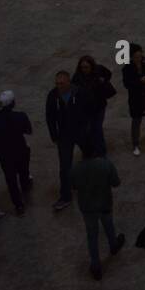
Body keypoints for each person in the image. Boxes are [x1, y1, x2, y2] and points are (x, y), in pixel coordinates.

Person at [71, 141, 125, 280]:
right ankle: (113, 245)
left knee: (92, 236)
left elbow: (74, 186)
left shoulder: (76, 168)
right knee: (108, 225)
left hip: (87, 207)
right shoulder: (105, 164)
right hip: (104, 203)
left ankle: (96, 266)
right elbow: (116, 182)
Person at [46, 70, 85, 211]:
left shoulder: (78, 92)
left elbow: (88, 109)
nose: (59, 86)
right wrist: (54, 135)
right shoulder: (53, 95)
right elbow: (49, 117)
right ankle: (65, 196)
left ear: (69, 82)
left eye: (62, 83)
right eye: (57, 84)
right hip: (64, 135)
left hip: (80, 132)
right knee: (64, 167)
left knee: (90, 158)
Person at [0, 91, 32, 215]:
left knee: (11, 180)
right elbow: (28, 130)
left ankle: (18, 205)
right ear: (13, 103)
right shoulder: (21, 116)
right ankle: (25, 186)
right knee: (23, 170)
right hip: (20, 149)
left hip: (4, 153)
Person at [72, 54, 115, 156]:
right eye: (82, 67)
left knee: (97, 130)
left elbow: (108, 74)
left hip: (98, 107)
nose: (84, 69)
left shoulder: (99, 70)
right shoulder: (77, 77)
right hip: (85, 109)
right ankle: (91, 151)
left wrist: (103, 80)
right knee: (88, 131)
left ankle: (101, 153)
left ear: (91, 66)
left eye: (86, 67)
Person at [122, 43, 145, 156]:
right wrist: (140, 81)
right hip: (136, 98)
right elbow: (127, 84)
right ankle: (135, 144)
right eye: (136, 57)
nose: (139, 58)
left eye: (140, 55)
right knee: (136, 121)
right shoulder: (127, 68)